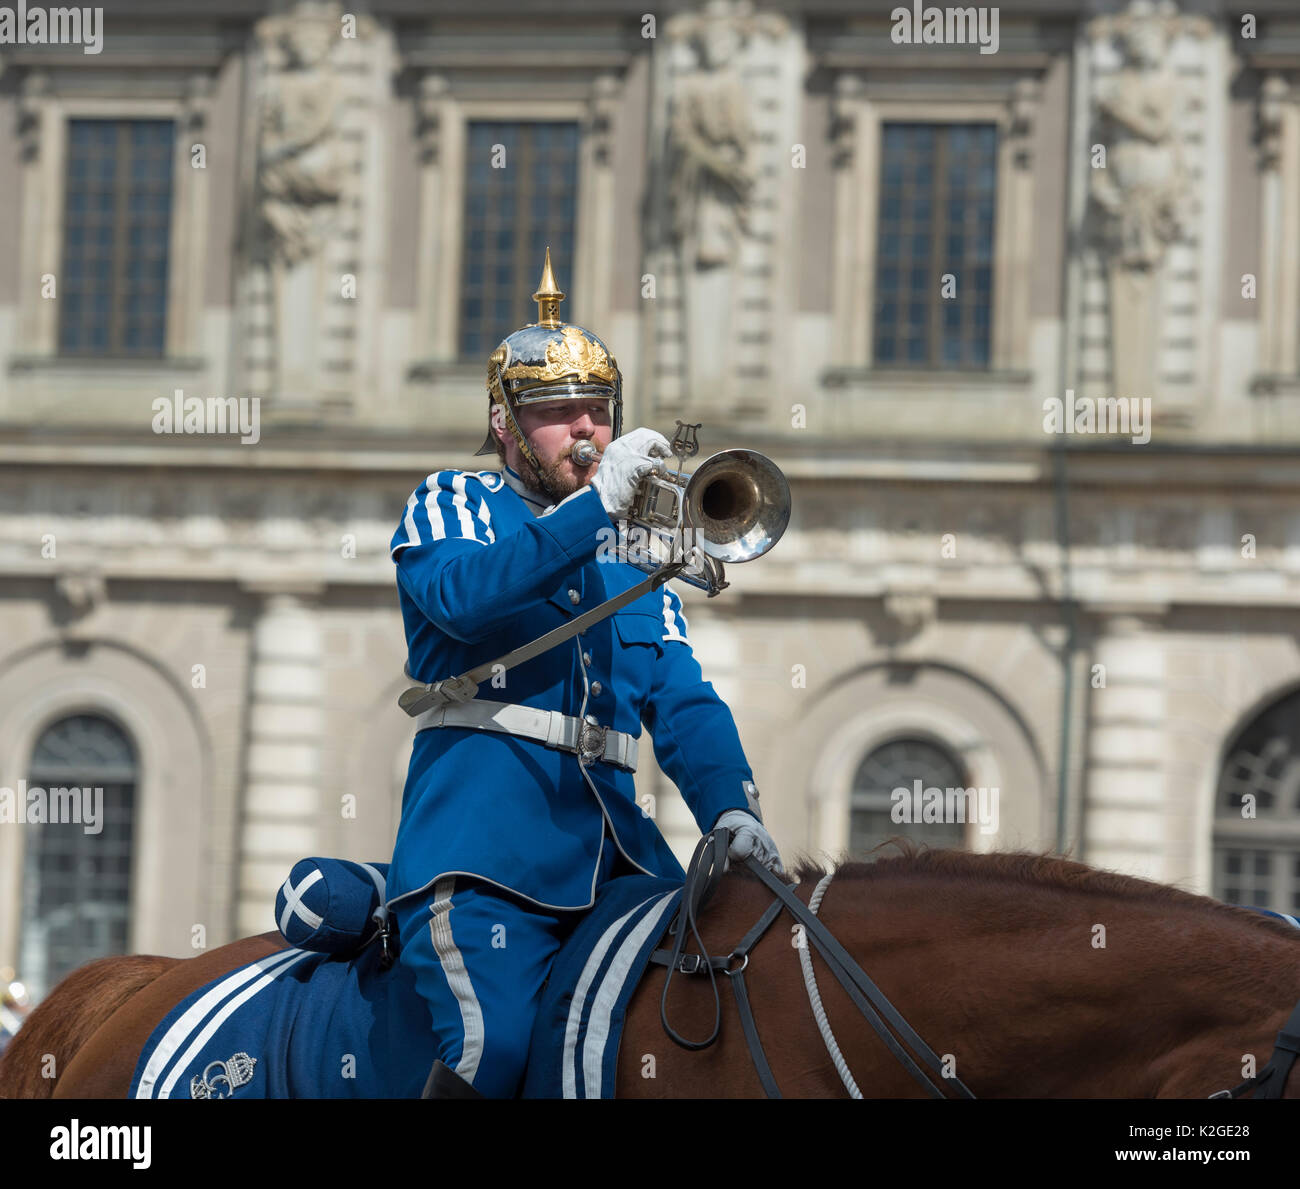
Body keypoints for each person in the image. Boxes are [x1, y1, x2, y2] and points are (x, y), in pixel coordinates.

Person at [386, 250, 784, 1099]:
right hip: (487, 858)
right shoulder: (455, 501)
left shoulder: (636, 553)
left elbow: (680, 696)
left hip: (622, 860)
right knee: (489, 1049)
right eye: (558, 414)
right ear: (504, 424)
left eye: (598, 414)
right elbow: (466, 598)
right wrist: (592, 509)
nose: (585, 433)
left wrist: (732, 809)